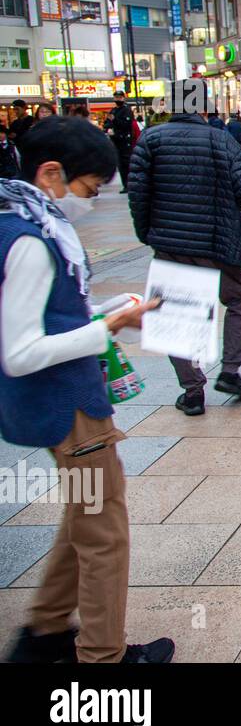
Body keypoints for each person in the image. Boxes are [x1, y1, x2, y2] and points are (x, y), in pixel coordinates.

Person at [1, 116, 173, 663]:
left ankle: (46, 631)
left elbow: (47, 318)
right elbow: (19, 350)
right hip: (68, 406)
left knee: (83, 515)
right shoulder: (31, 238)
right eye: (89, 189)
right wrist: (107, 329)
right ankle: (104, 658)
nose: (92, 202)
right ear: (51, 173)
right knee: (104, 535)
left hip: (63, 404)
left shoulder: (22, 218)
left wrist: (105, 309)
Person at [128, 101, 241, 416]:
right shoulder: (220, 139)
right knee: (237, 300)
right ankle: (230, 371)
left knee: (174, 315)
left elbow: (137, 191)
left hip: (171, 242)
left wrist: (147, 233)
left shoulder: (151, 139)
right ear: (204, 109)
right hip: (217, 239)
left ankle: (192, 391)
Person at [104, 91, 136, 193]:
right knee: (121, 164)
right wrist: (108, 128)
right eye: (116, 97)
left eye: (120, 97)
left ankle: (130, 184)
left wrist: (115, 120)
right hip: (115, 140)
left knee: (127, 163)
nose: (118, 99)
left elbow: (126, 124)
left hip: (125, 140)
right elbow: (107, 123)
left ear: (123, 98)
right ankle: (125, 184)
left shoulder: (126, 110)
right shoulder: (113, 110)